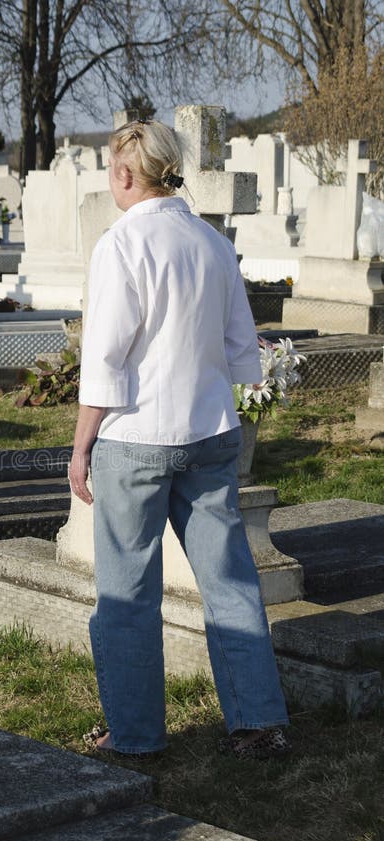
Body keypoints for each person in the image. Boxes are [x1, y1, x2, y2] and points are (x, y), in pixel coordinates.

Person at [68, 119, 290, 761]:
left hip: (135, 437)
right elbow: (243, 351)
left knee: (128, 591)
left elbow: (105, 360)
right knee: (228, 580)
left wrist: (81, 446)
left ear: (124, 173)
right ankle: (259, 724)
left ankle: (135, 735)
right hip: (211, 432)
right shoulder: (213, 243)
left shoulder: (121, 245)